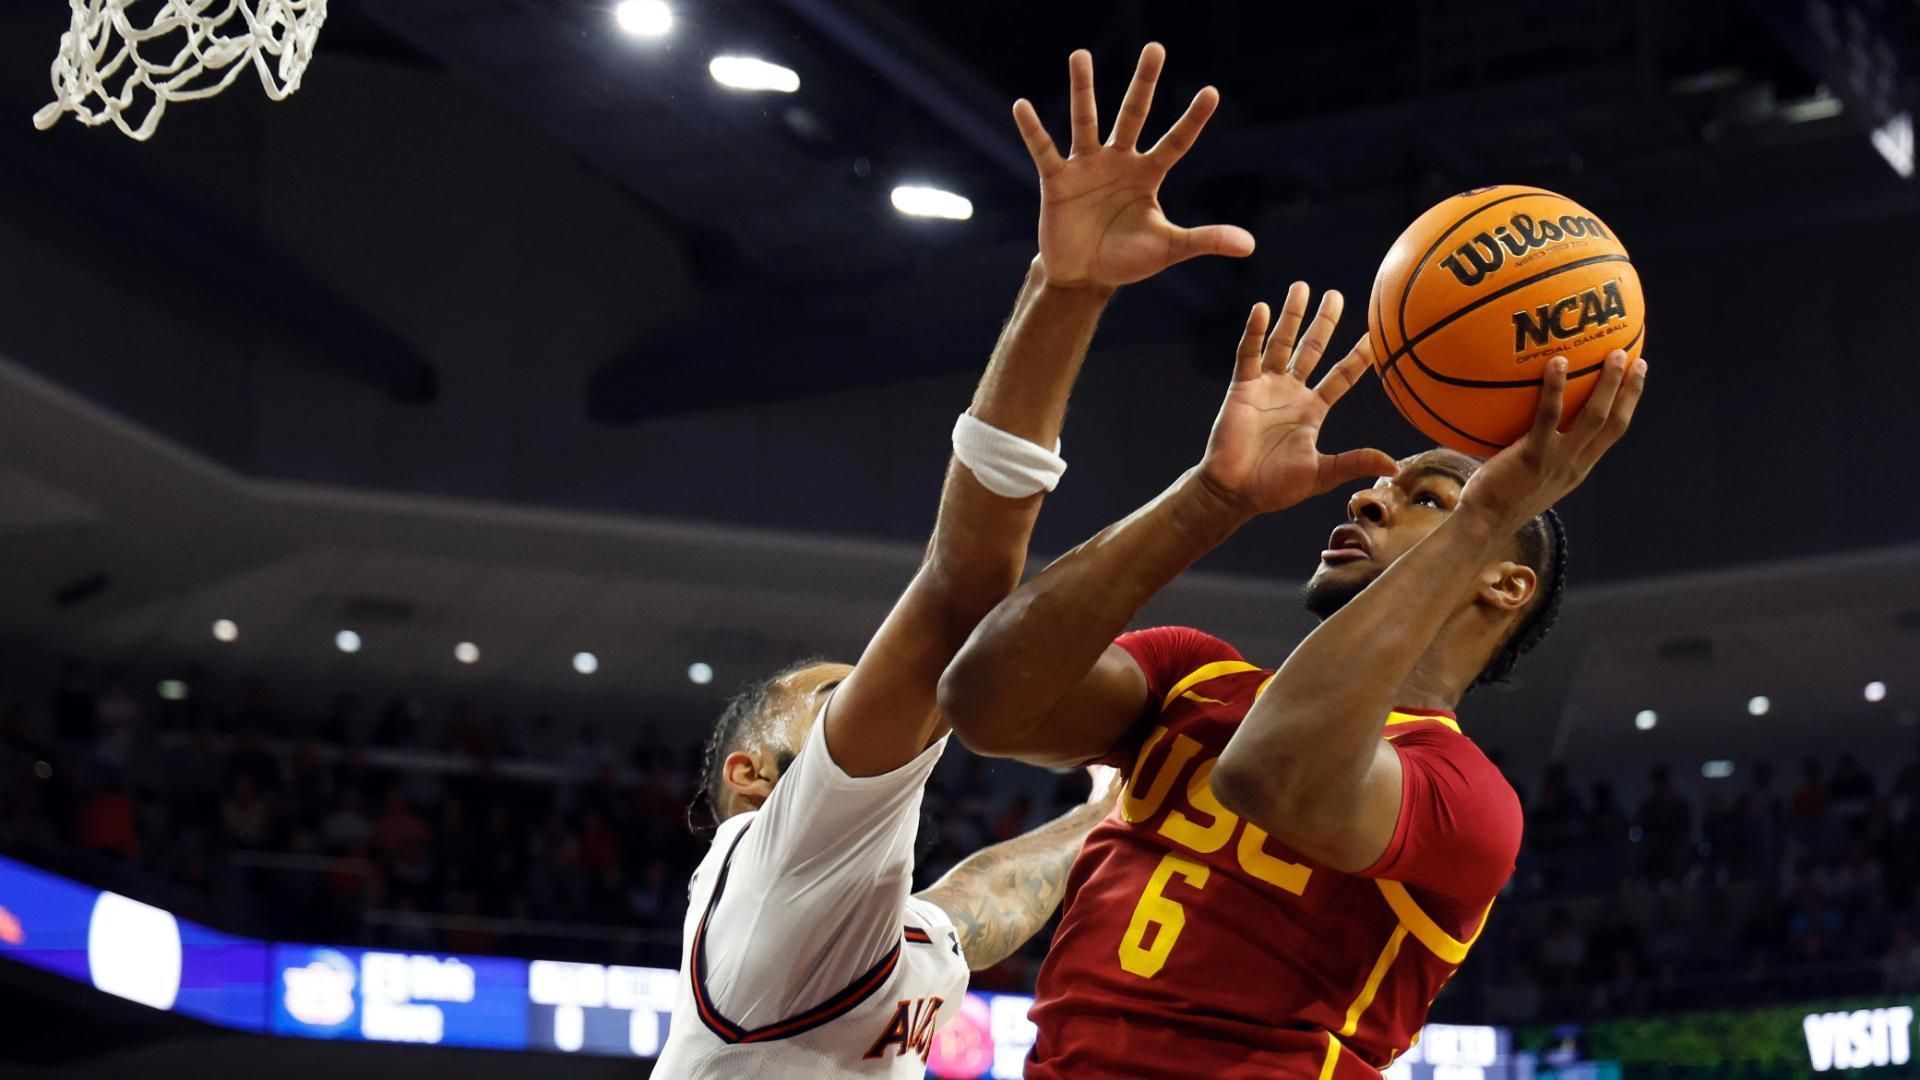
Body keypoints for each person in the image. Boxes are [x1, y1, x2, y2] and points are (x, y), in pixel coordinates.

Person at [654, 42, 1253, 1078]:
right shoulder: (775, 866)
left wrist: (1102, 816)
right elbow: (958, 598)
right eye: (836, 697)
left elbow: (969, 913)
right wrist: (1064, 293)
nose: (876, 697)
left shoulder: (831, 928)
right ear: (753, 778)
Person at [941, 291, 1646, 1074]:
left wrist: (1488, 515)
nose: (1369, 495)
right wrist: (1210, 497)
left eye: (1428, 499)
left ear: (1504, 585)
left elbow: (1268, 772)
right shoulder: (1192, 672)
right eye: (1387, 486)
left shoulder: (1467, 799)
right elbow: (984, 702)